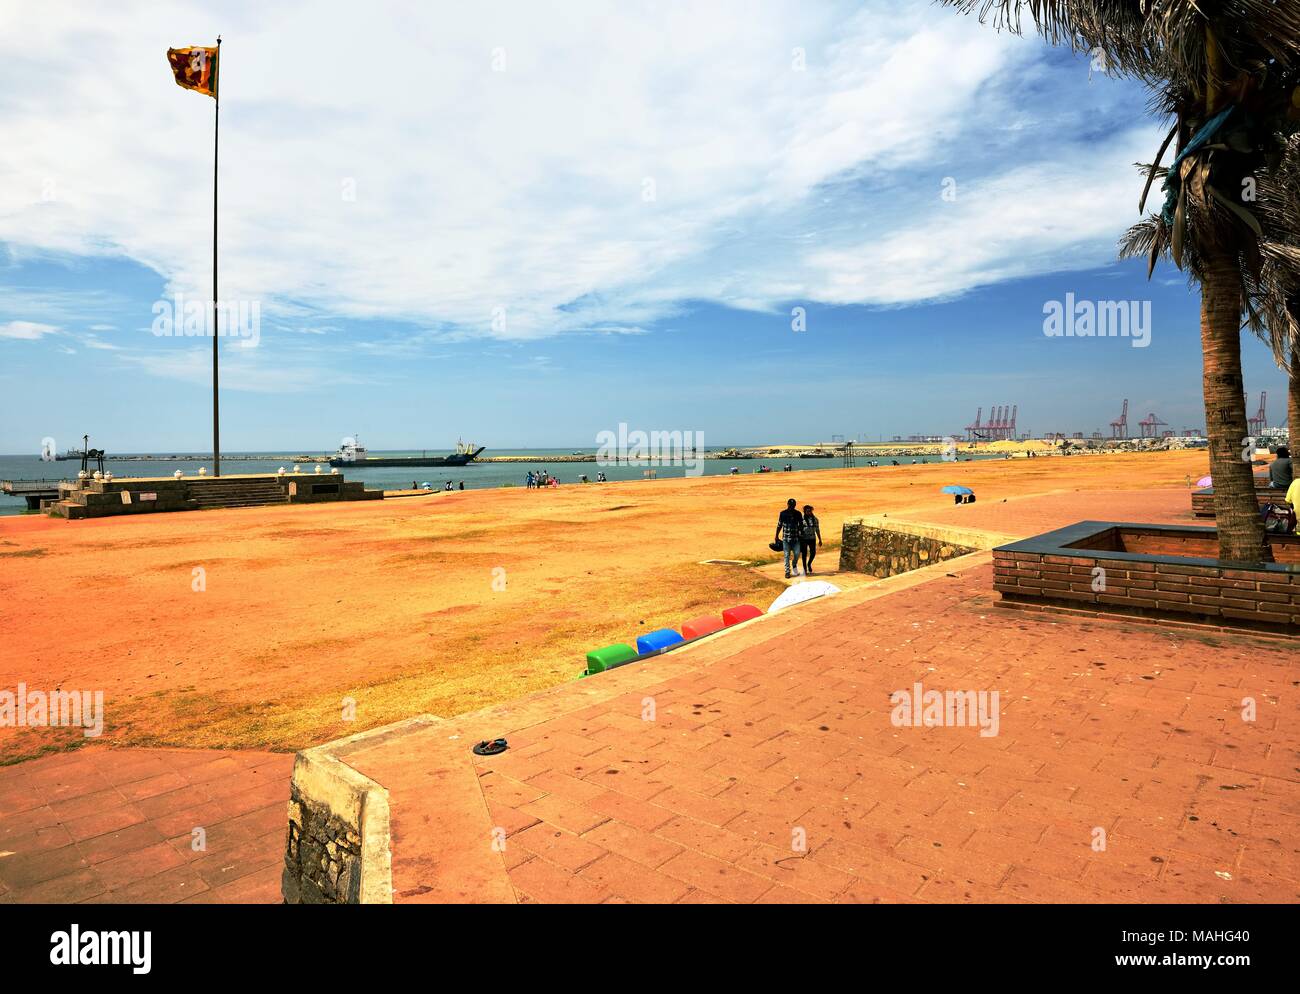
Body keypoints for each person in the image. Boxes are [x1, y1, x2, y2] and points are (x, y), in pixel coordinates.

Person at [774, 498, 803, 579]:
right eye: (791, 505)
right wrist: (776, 535)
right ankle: (787, 572)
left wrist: (801, 534)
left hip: (796, 538)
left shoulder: (798, 514)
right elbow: (779, 525)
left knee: (797, 554)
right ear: (788, 505)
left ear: (795, 505)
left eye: (793, 505)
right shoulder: (783, 514)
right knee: (786, 555)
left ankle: (794, 564)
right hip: (786, 539)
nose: (792, 507)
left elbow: (801, 525)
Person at [799, 504, 822, 575]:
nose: (808, 512)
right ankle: (805, 568)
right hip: (804, 538)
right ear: (804, 511)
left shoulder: (815, 519)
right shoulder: (801, 519)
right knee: (804, 554)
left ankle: (809, 564)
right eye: (807, 511)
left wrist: (820, 539)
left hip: (812, 538)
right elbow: (798, 529)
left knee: (813, 553)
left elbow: (817, 530)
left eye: (809, 511)